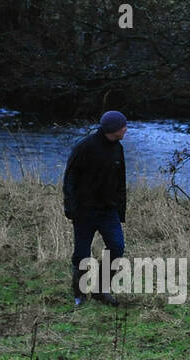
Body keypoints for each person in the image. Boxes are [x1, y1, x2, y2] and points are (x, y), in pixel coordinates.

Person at [63, 110, 128, 307]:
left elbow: (120, 180)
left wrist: (120, 209)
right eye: (123, 126)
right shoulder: (84, 147)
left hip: (108, 211)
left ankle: (101, 290)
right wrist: (71, 206)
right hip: (84, 211)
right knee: (82, 254)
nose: (126, 129)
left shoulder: (118, 148)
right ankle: (80, 294)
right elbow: (70, 178)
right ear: (112, 129)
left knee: (117, 247)